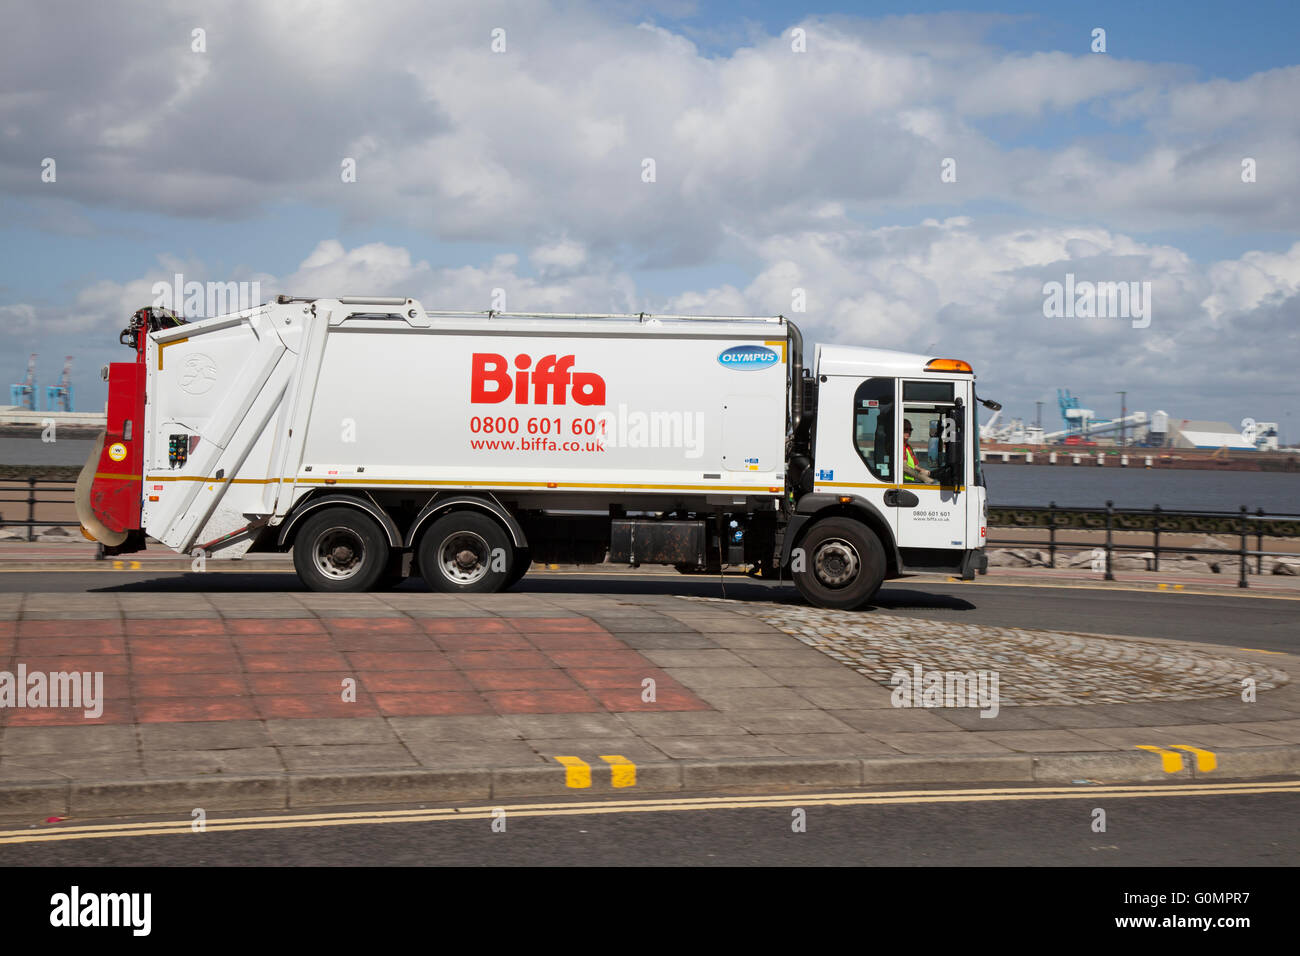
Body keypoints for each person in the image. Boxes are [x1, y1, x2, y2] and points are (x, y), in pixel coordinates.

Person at [902, 419, 936, 484]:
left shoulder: (908, 447)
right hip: (901, 482)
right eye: (905, 430)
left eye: (910, 430)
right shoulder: (898, 447)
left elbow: (914, 465)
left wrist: (922, 470)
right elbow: (904, 467)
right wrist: (924, 478)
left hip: (909, 482)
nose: (908, 432)